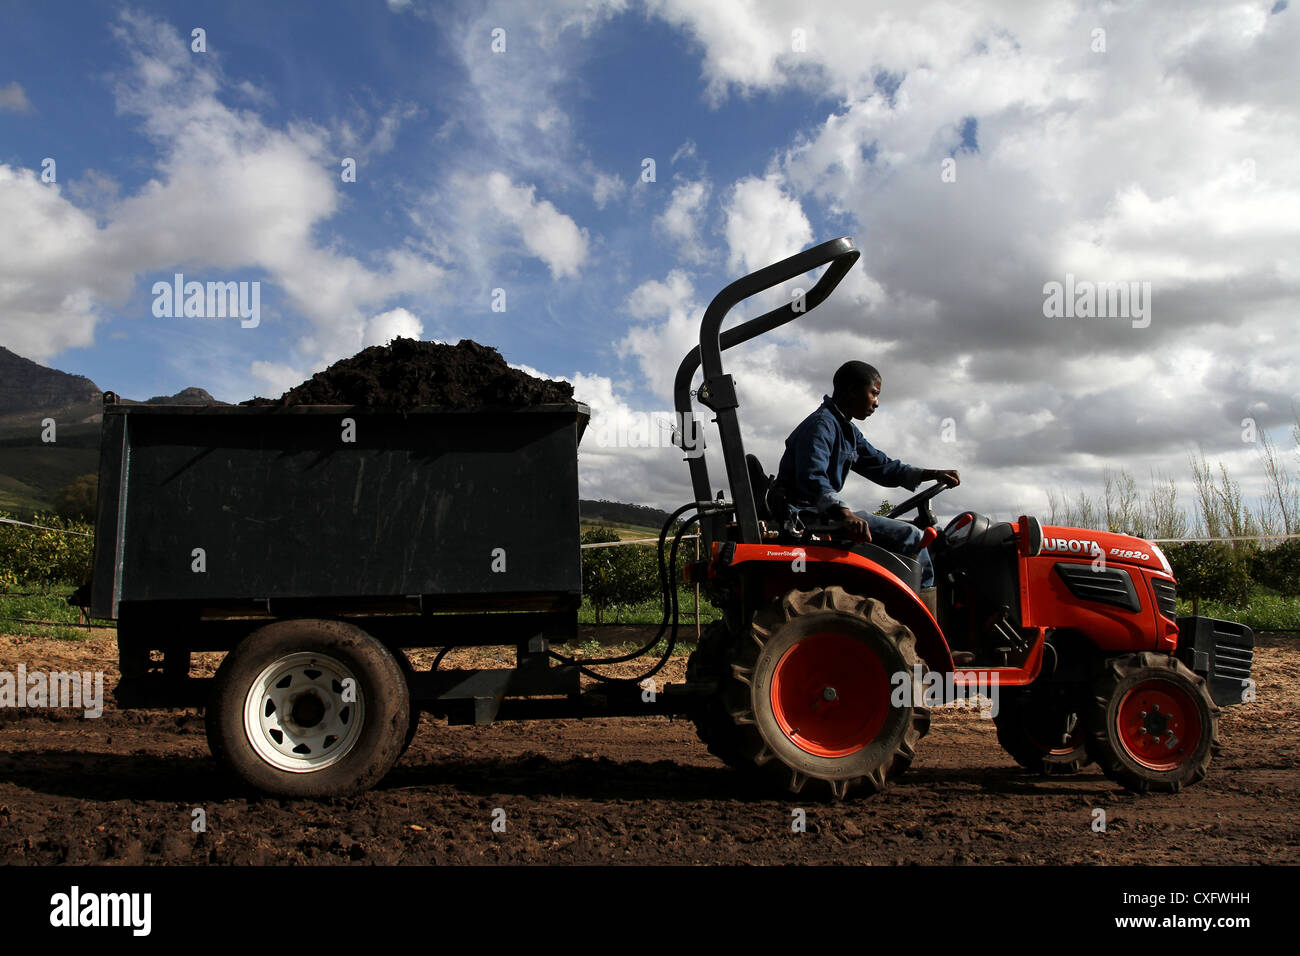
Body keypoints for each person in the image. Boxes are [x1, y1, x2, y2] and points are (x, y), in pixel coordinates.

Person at [774, 360, 959, 592]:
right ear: (852, 390)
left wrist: (930, 474)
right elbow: (812, 479)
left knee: (926, 534)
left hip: (822, 513)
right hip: (806, 515)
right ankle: (925, 615)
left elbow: (883, 467)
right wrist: (845, 513)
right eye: (874, 393)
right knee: (912, 537)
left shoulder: (847, 430)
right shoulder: (821, 426)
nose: (877, 403)